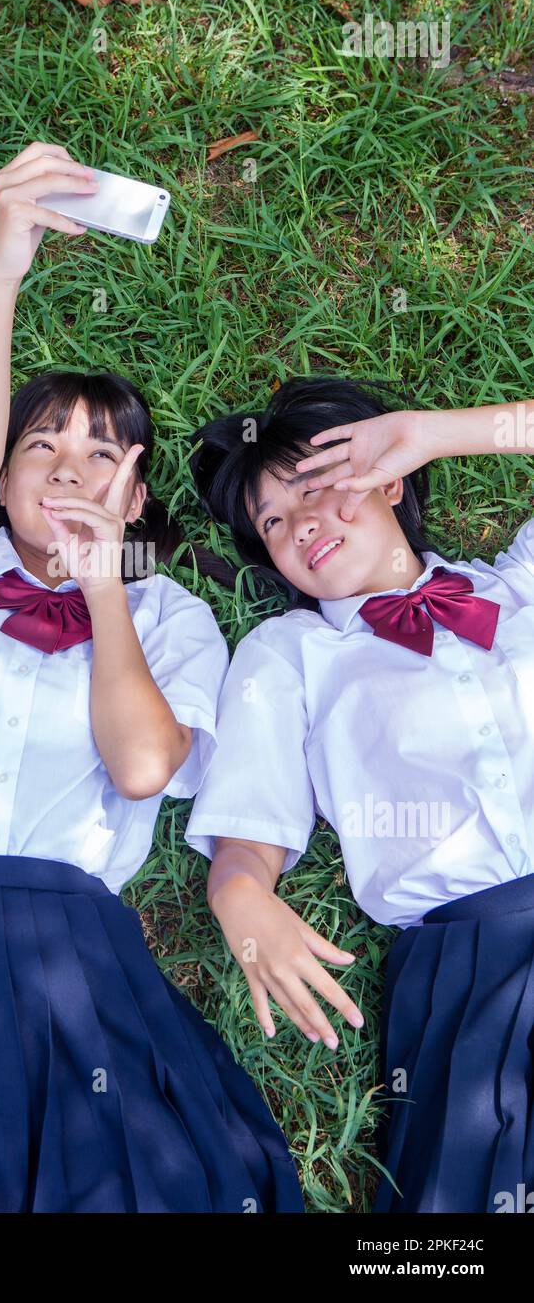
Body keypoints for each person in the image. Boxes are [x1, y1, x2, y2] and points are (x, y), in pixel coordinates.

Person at [0, 142, 303, 1214]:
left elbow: (136, 770)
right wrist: (2, 268)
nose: (68, 469)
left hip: (69, 940)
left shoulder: (166, 616)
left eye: (101, 456)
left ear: (135, 499)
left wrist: (104, 586)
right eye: (44, 447)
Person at [186, 375, 534, 1212]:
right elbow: (250, 827)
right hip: (473, 960)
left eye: (316, 485)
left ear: (388, 477)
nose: (300, 521)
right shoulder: (287, 652)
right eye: (271, 520)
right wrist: (237, 890)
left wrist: (438, 428)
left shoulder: (519, 586)